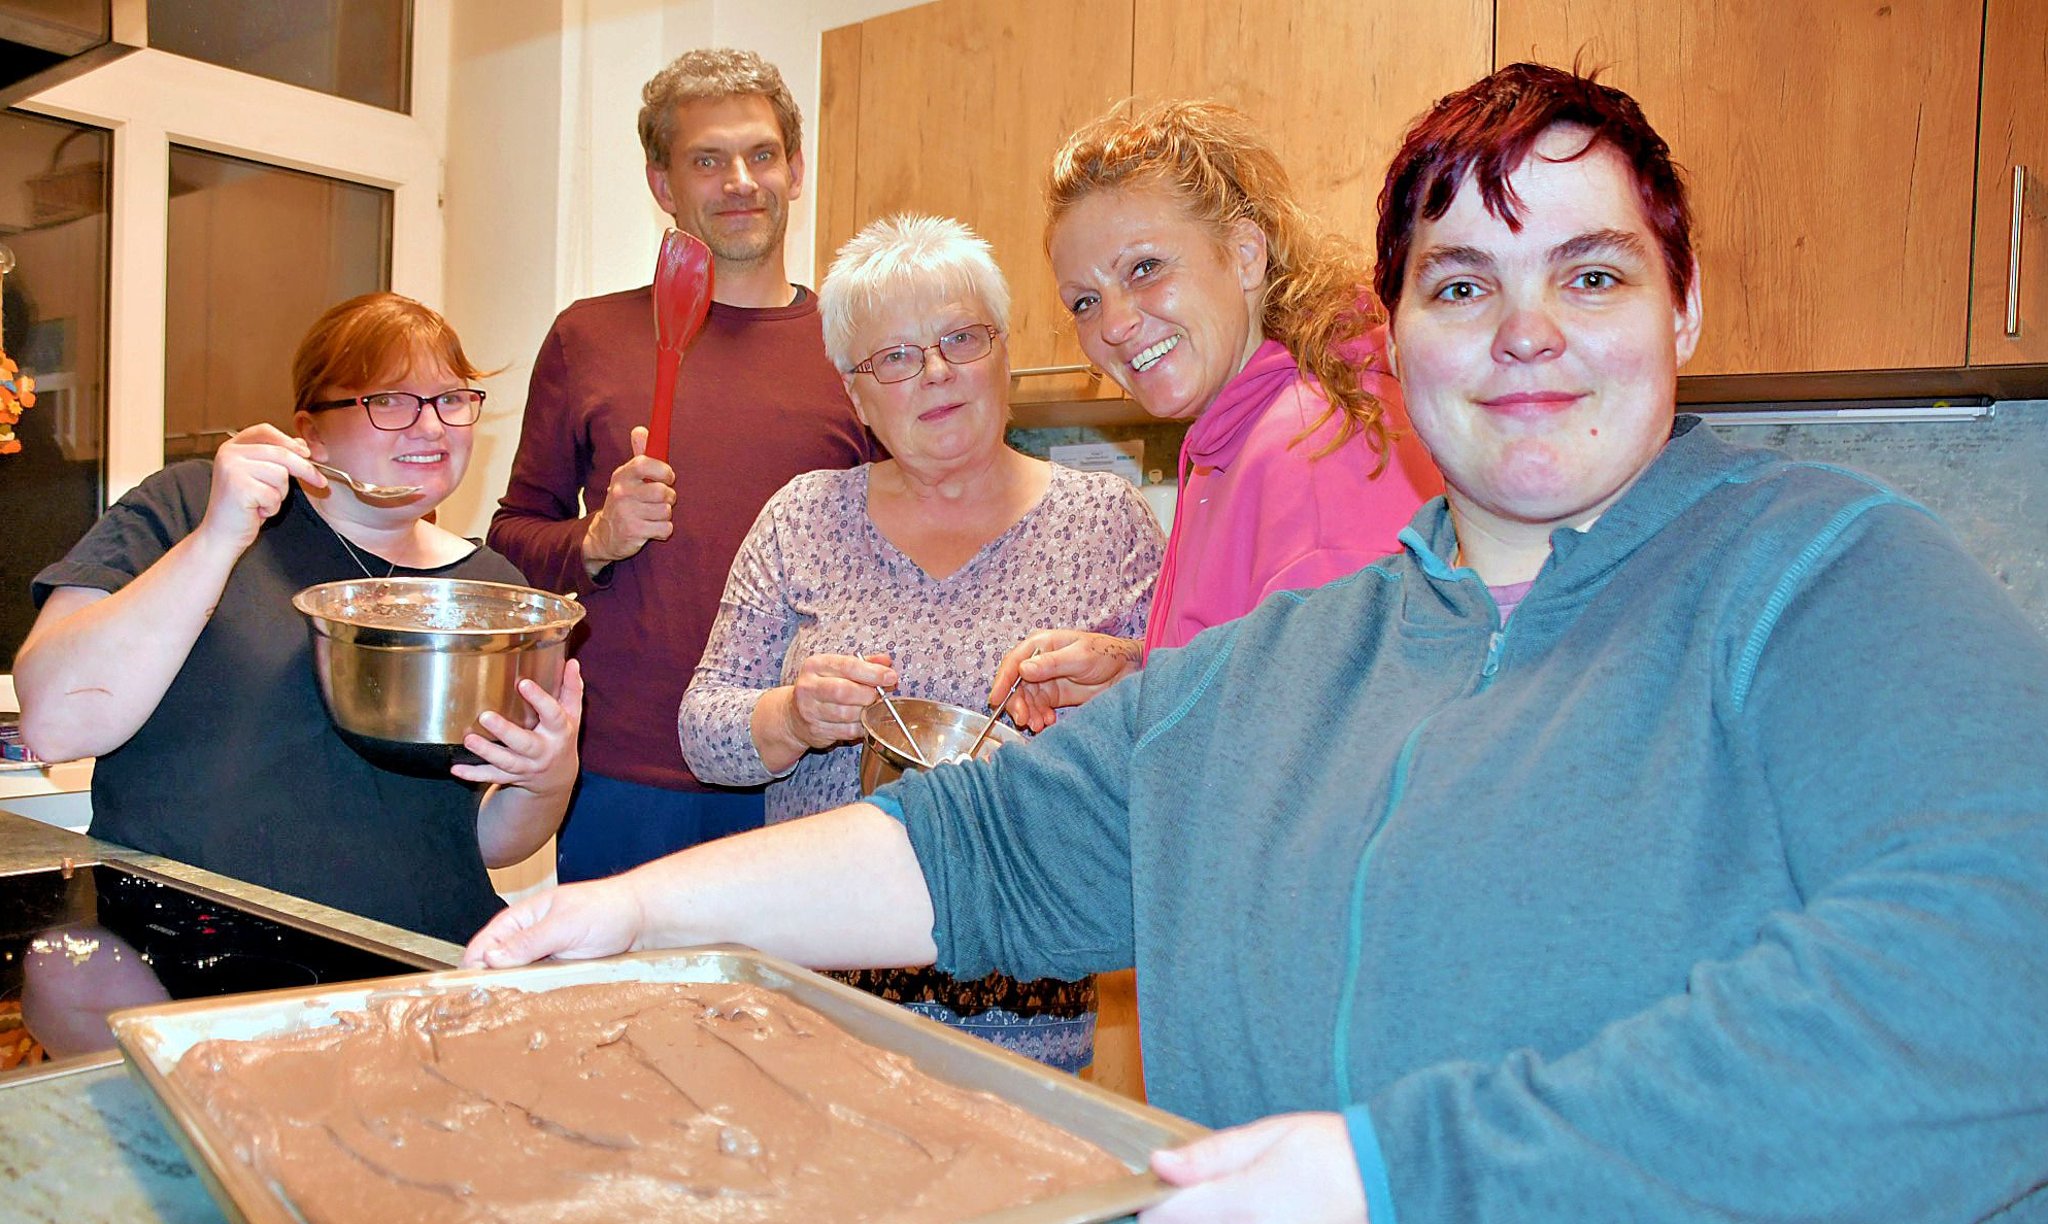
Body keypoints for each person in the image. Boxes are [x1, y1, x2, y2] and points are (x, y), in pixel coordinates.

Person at [465, 63, 2048, 1223]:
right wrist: (629, 915)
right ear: (1397, 326)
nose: (1525, 331)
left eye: (1591, 271)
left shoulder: (1824, 575)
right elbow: (984, 849)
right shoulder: (1310, 654)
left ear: (1682, 310)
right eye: (1461, 282)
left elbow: (1998, 980)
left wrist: (1387, 1175)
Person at [678, 214, 1162, 1070]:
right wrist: (792, 716)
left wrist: (1125, 680)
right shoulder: (803, 518)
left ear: (1003, 350)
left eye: (960, 338)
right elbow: (703, 733)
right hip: (816, 1008)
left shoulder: (1107, 522)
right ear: (856, 395)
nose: (935, 372)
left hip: (1026, 1017)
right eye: (895, 357)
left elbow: (1182, 746)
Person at [17, 293, 583, 945]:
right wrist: (218, 538)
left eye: (451, 400)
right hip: (181, 957)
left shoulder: (490, 593)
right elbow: (57, 726)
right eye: (390, 400)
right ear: (309, 429)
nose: (431, 427)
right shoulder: (190, 507)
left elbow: (477, 839)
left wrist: (548, 777)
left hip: (412, 970)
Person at [488, 48, 874, 883]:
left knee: (785, 1016)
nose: (740, 180)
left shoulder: (857, 351)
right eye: (707, 160)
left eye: (761, 155)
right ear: (665, 186)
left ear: (795, 170)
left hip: (803, 766)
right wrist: (595, 540)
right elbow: (507, 541)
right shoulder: (588, 337)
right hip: (626, 774)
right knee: (623, 1013)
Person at [988, 100, 1442, 731]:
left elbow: (1337, 757)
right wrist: (1144, 675)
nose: (1114, 324)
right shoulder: (1236, 435)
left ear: (1246, 254)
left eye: (1145, 268)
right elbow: (1265, 682)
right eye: (1085, 302)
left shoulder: (1315, 446)